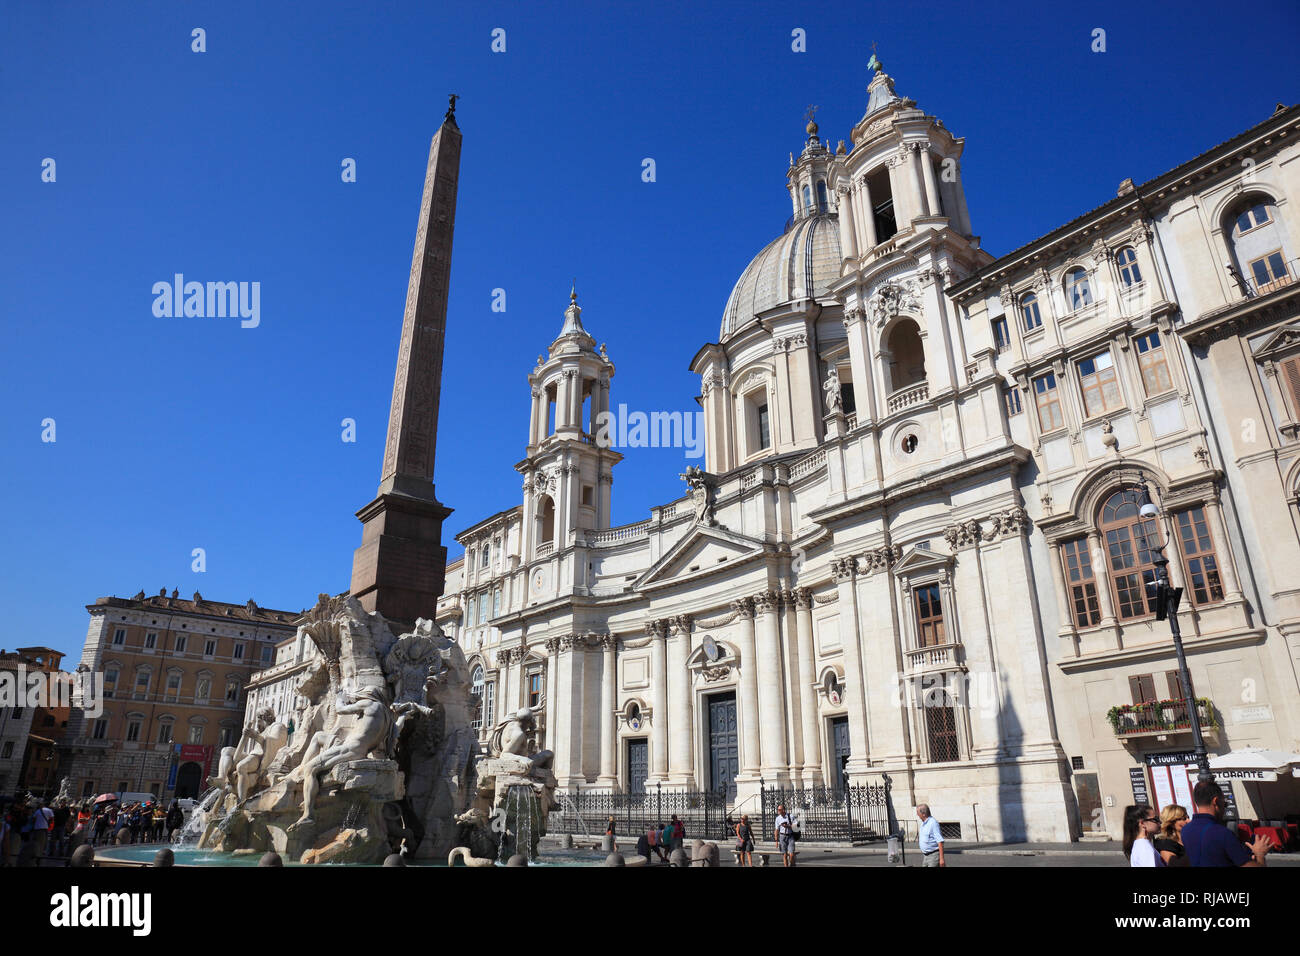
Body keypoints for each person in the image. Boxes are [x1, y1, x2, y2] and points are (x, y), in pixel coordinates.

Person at [1181, 780, 1271, 867]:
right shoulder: (1222, 833)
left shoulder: (1185, 830)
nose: (1224, 808)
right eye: (1225, 804)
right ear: (1215, 801)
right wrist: (1260, 854)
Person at [916, 804, 945, 868]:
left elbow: (940, 841)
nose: (917, 815)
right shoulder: (923, 823)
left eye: (918, 813)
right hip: (926, 856)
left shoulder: (933, 823)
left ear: (923, 814)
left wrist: (941, 859)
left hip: (933, 856)